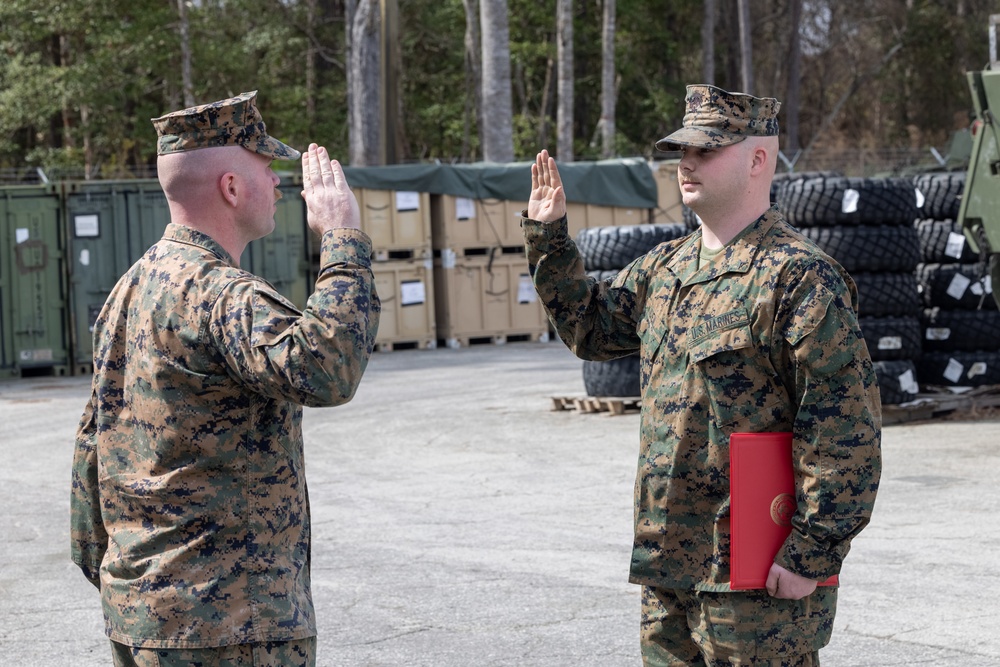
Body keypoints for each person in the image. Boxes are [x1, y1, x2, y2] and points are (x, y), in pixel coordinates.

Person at [522, 84, 881, 665]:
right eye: (681, 150)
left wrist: (812, 552)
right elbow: (590, 329)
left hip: (754, 574)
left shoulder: (798, 278)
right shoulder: (664, 268)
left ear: (758, 158)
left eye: (706, 150)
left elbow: (844, 429)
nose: (686, 162)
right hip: (669, 564)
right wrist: (550, 237)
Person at [70, 91, 380, 667]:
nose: (281, 185)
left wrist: (128, 584)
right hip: (231, 627)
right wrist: (342, 242)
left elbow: (93, 449)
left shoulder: (128, 290)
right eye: (267, 169)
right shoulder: (221, 294)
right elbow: (329, 369)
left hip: (145, 618)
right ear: (231, 188)